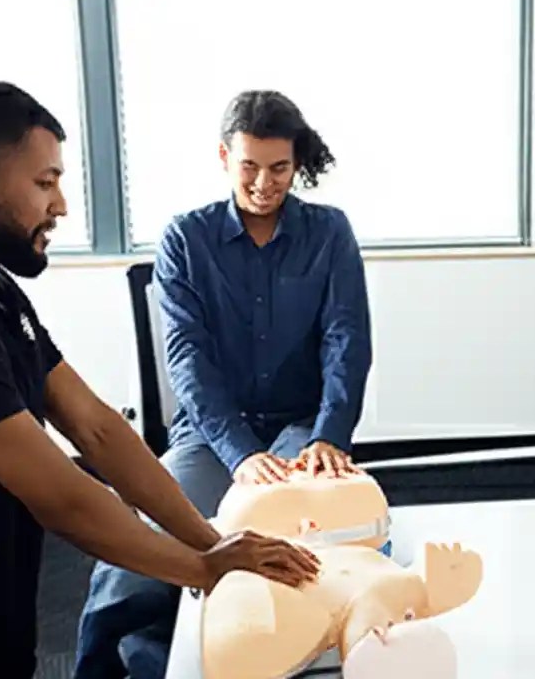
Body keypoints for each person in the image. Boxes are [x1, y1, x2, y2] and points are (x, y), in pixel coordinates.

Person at [0, 80, 320, 678]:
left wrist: (208, 539)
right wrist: (205, 568)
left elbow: (98, 429)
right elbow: (65, 500)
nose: (61, 206)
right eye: (44, 182)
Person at [75, 89, 373, 677]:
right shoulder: (186, 238)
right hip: (210, 439)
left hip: (300, 430)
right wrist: (240, 453)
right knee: (136, 549)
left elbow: (348, 342)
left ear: (297, 164)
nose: (265, 182)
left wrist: (330, 436)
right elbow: (187, 360)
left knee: (298, 542)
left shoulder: (330, 232)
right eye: (250, 167)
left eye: (280, 168)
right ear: (223, 158)